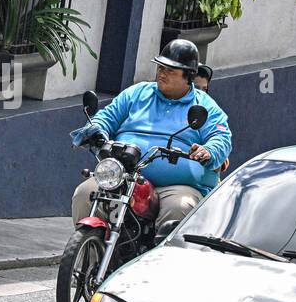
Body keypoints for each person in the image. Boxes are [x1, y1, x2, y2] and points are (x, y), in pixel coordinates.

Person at [70, 38, 232, 236]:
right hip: (124, 175)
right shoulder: (137, 93)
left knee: (179, 207)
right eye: (161, 68)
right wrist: (95, 129)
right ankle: (87, 249)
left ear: (188, 77)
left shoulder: (205, 106)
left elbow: (221, 137)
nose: (162, 73)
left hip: (176, 186)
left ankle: (156, 262)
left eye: (171, 70)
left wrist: (208, 150)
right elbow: (107, 116)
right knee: (85, 193)